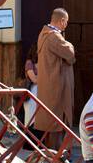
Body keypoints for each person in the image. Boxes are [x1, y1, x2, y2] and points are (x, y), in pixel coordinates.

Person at [32, 9, 75, 143]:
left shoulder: (43, 34)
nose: (66, 25)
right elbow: (70, 54)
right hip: (56, 86)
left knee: (51, 121)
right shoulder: (54, 36)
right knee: (57, 122)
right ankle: (58, 159)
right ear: (62, 21)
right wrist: (71, 46)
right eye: (66, 22)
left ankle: (53, 157)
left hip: (48, 85)